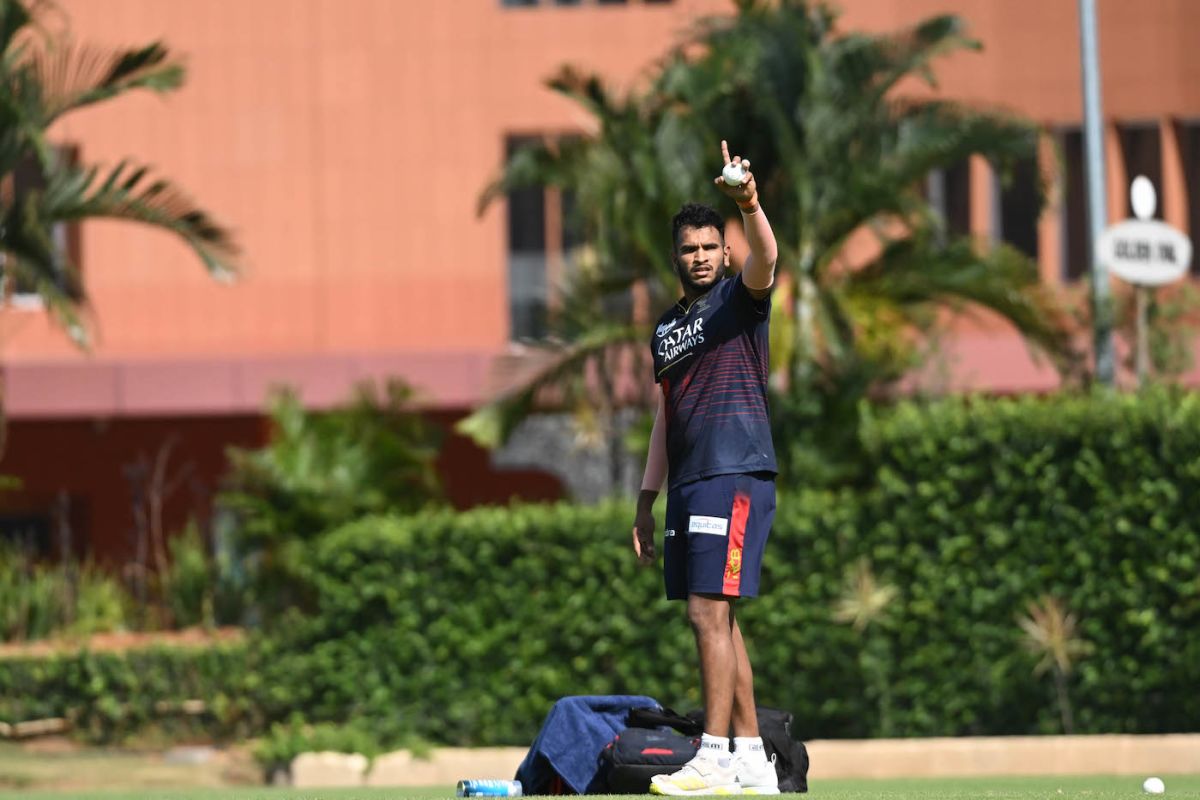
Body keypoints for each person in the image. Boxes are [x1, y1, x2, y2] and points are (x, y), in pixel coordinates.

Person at [633, 140, 780, 796]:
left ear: (725, 251)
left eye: (709, 247)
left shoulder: (739, 301)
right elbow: (667, 413)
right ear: (676, 257)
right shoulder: (666, 328)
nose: (699, 257)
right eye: (689, 249)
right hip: (688, 485)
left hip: (735, 472)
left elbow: (769, 259)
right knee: (719, 619)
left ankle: (714, 754)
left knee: (705, 614)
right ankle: (751, 758)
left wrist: (747, 201)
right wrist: (645, 497)